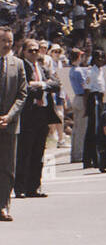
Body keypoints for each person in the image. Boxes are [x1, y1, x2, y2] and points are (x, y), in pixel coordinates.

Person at [15, 38, 55, 197]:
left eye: (36, 50)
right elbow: (24, 88)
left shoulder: (43, 68)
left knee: (39, 151)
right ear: (23, 51)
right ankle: (21, 187)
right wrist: (38, 86)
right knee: (25, 151)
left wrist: (42, 85)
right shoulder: (21, 66)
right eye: (30, 50)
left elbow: (56, 84)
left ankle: (34, 186)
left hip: (43, 112)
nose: (34, 53)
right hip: (28, 113)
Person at [0, 26, 28, 222]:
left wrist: (9, 116)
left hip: (9, 124)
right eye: (3, 40)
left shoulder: (17, 64)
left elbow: (22, 94)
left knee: (7, 168)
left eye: (9, 41)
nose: (6, 44)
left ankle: (3, 206)